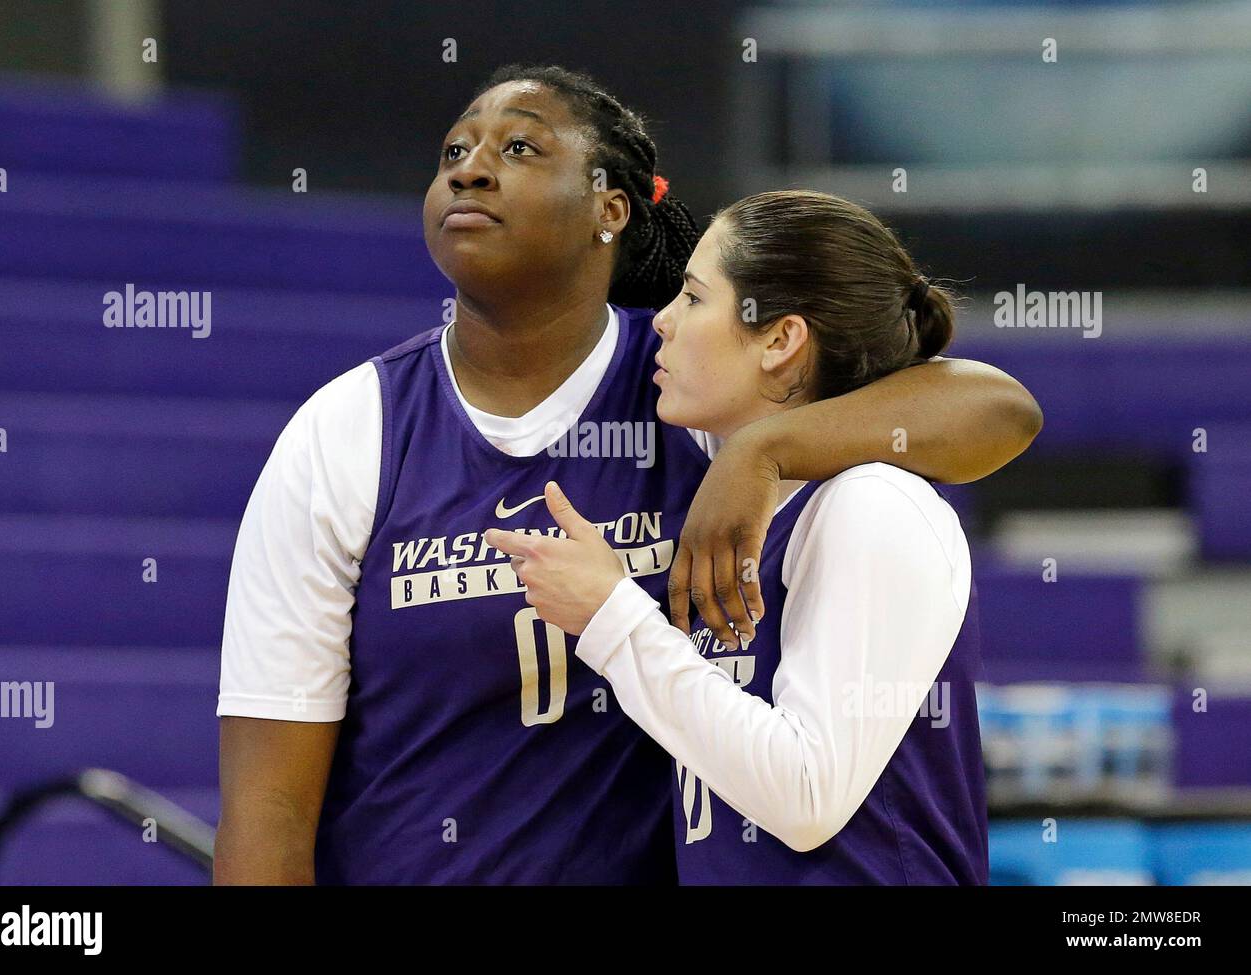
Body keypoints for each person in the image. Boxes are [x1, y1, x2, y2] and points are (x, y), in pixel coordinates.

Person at [214, 66, 1039, 884]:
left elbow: (996, 408)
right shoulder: (347, 429)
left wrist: (764, 451)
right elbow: (267, 812)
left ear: (611, 207)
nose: (469, 166)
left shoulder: (696, 393)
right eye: (454, 149)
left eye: (521, 147)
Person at [487, 190, 994, 883]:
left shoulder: (870, 503)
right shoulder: (759, 498)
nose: (662, 322)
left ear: (781, 340)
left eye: (694, 298)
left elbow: (807, 792)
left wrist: (612, 617)